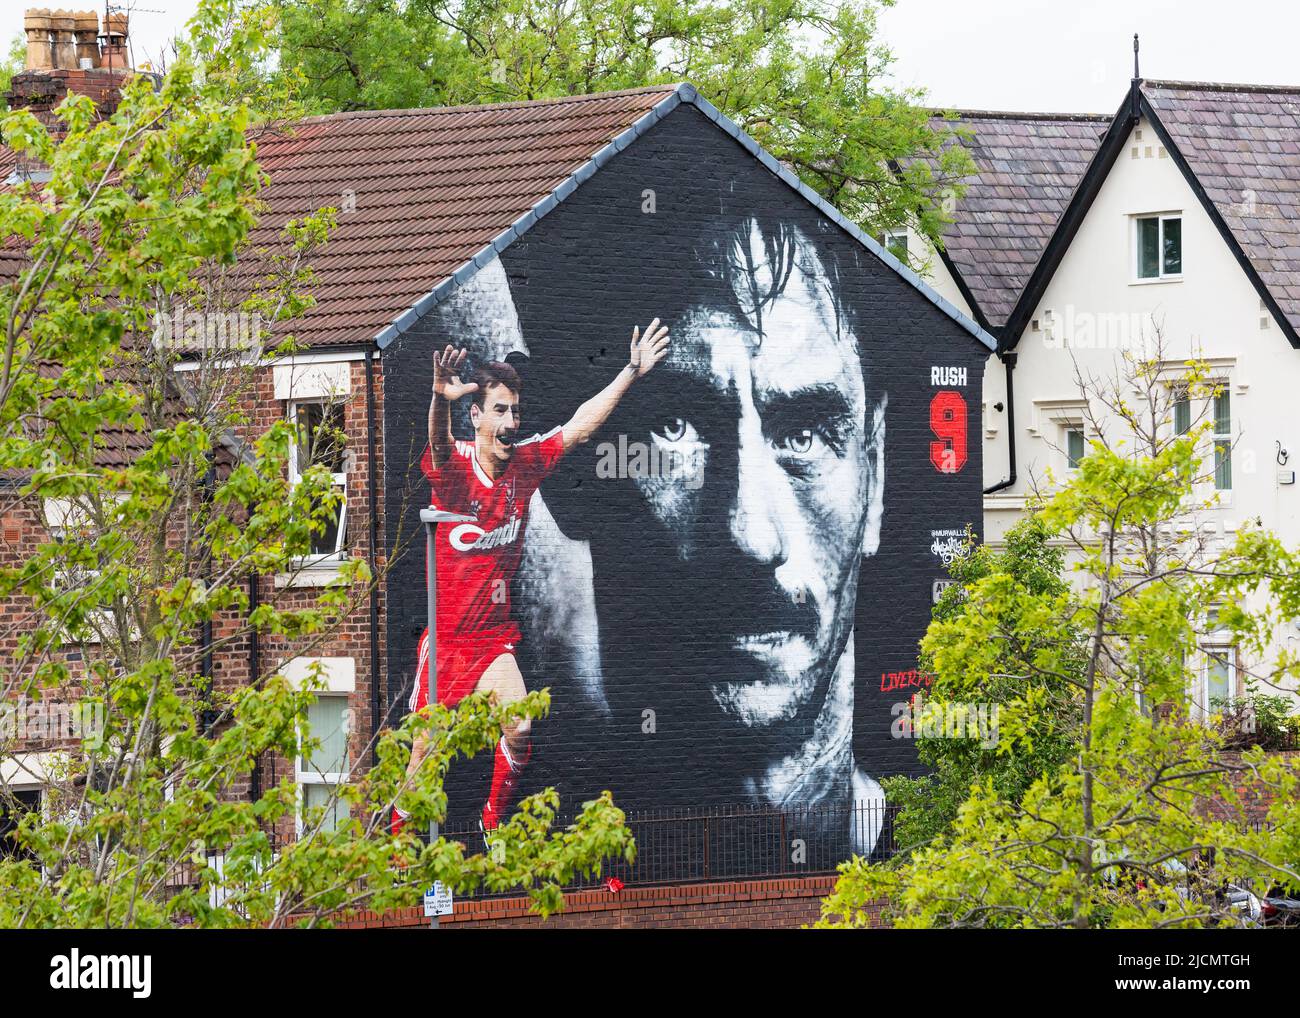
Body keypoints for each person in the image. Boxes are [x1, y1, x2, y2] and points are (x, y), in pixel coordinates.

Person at [394, 320, 670, 838]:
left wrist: (631, 371)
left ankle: (492, 817)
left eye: (515, 411)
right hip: (448, 644)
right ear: (476, 417)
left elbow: (581, 426)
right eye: (500, 410)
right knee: (423, 765)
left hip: (492, 641)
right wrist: (438, 398)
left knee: (519, 726)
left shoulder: (524, 465)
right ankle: (395, 847)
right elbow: (435, 440)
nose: (511, 420)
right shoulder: (454, 468)